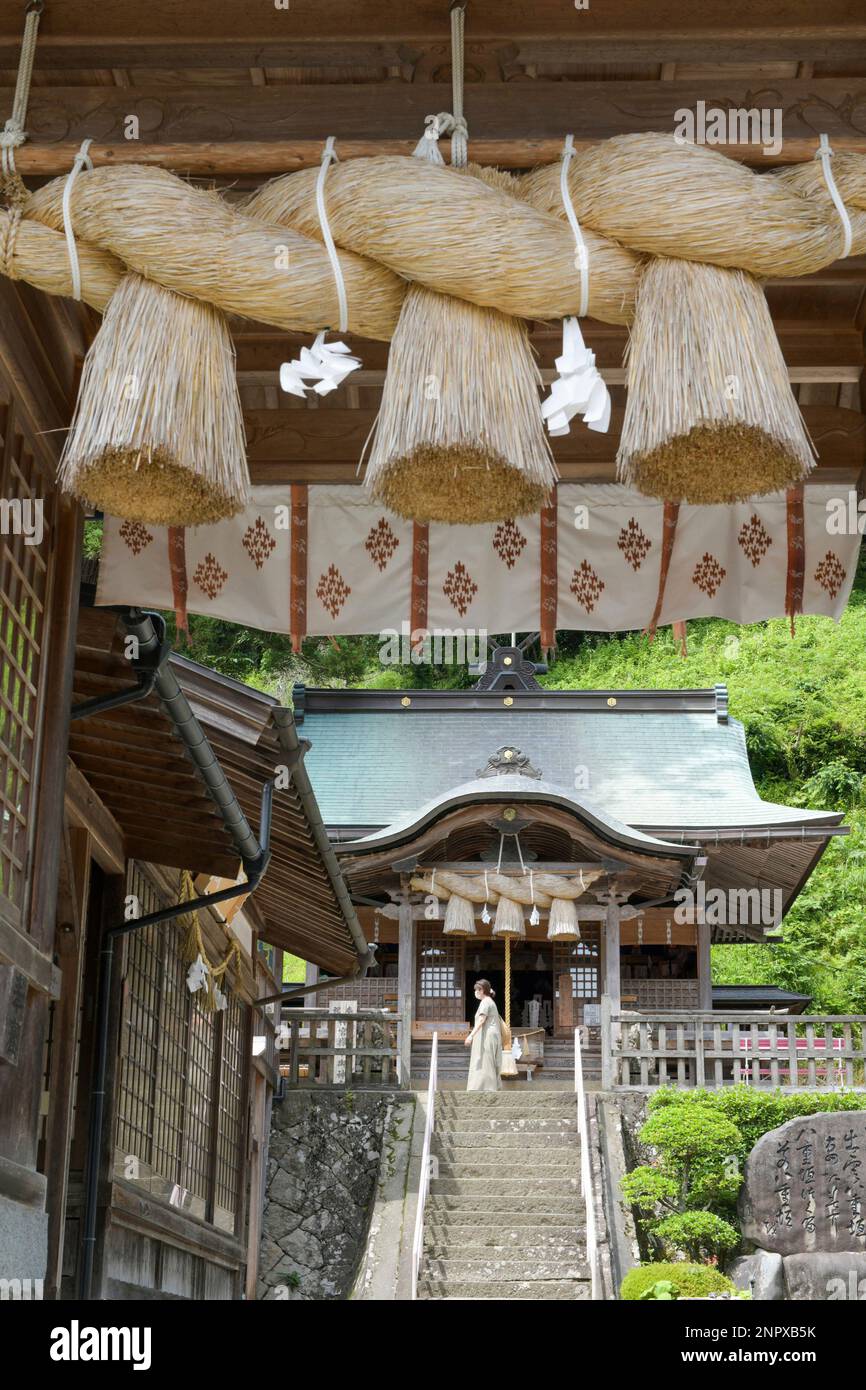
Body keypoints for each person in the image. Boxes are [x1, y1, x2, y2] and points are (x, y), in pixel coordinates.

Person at [464, 978, 503, 1092]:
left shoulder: (485, 1002)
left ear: (481, 990)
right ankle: (487, 1086)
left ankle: (486, 1087)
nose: (475, 992)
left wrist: (470, 1036)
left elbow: (481, 1020)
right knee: (487, 1060)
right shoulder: (490, 1001)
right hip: (492, 1034)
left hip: (488, 1035)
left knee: (485, 1061)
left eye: (477, 990)